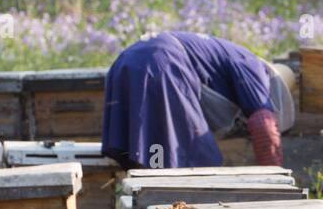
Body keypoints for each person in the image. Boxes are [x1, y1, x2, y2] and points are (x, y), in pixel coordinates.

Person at [101, 30, 295, 170]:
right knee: (202, 165)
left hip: (126, 62)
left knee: (149, 154)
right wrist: (276, 177)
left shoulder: (223, 55)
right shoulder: (252, 66)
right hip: (163, 62)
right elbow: (263, 124)